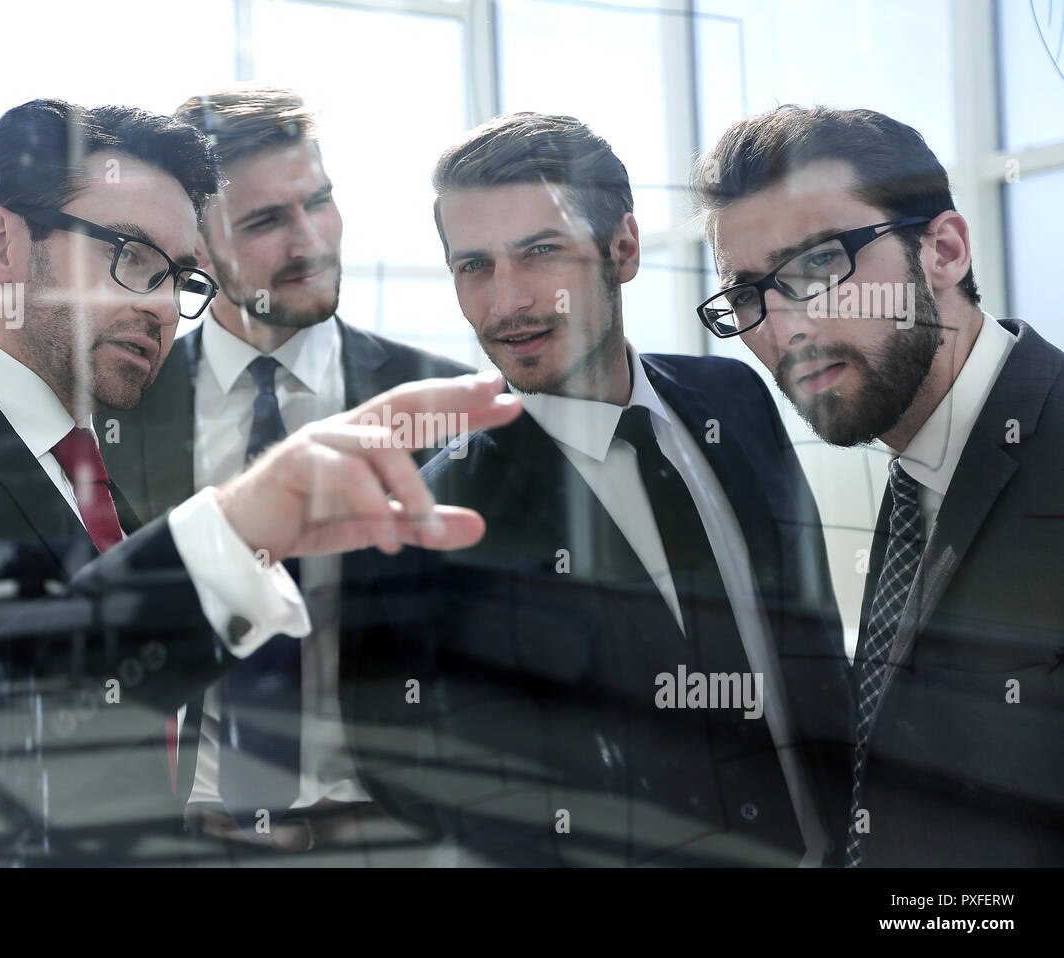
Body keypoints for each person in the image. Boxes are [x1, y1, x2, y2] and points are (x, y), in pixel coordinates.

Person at [0, 98, 519, 867]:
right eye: (129, 256)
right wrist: (221, 542)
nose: (162, 305)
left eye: (180, 277)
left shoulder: (90, 484)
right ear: (0, 246)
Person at [344, 113, 851, 867]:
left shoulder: (737, 400)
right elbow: (412, 778)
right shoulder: (430, 519)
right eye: (474, 266)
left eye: (540, 252)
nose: (506, 303)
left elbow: (812, 641)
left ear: (624, 248)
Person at [97, 86, 471, 862]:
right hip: (183, 832)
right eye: (267, 221)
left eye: (320, 202)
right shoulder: (117, 412)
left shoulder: (440, 405)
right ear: (197, 251)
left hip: (390, 831)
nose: (311, 242)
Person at [691, 105, 1064, 866]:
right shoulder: (914, 479)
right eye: (749, 295)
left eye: (819, 265)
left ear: (944, 251)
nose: (784, 329)